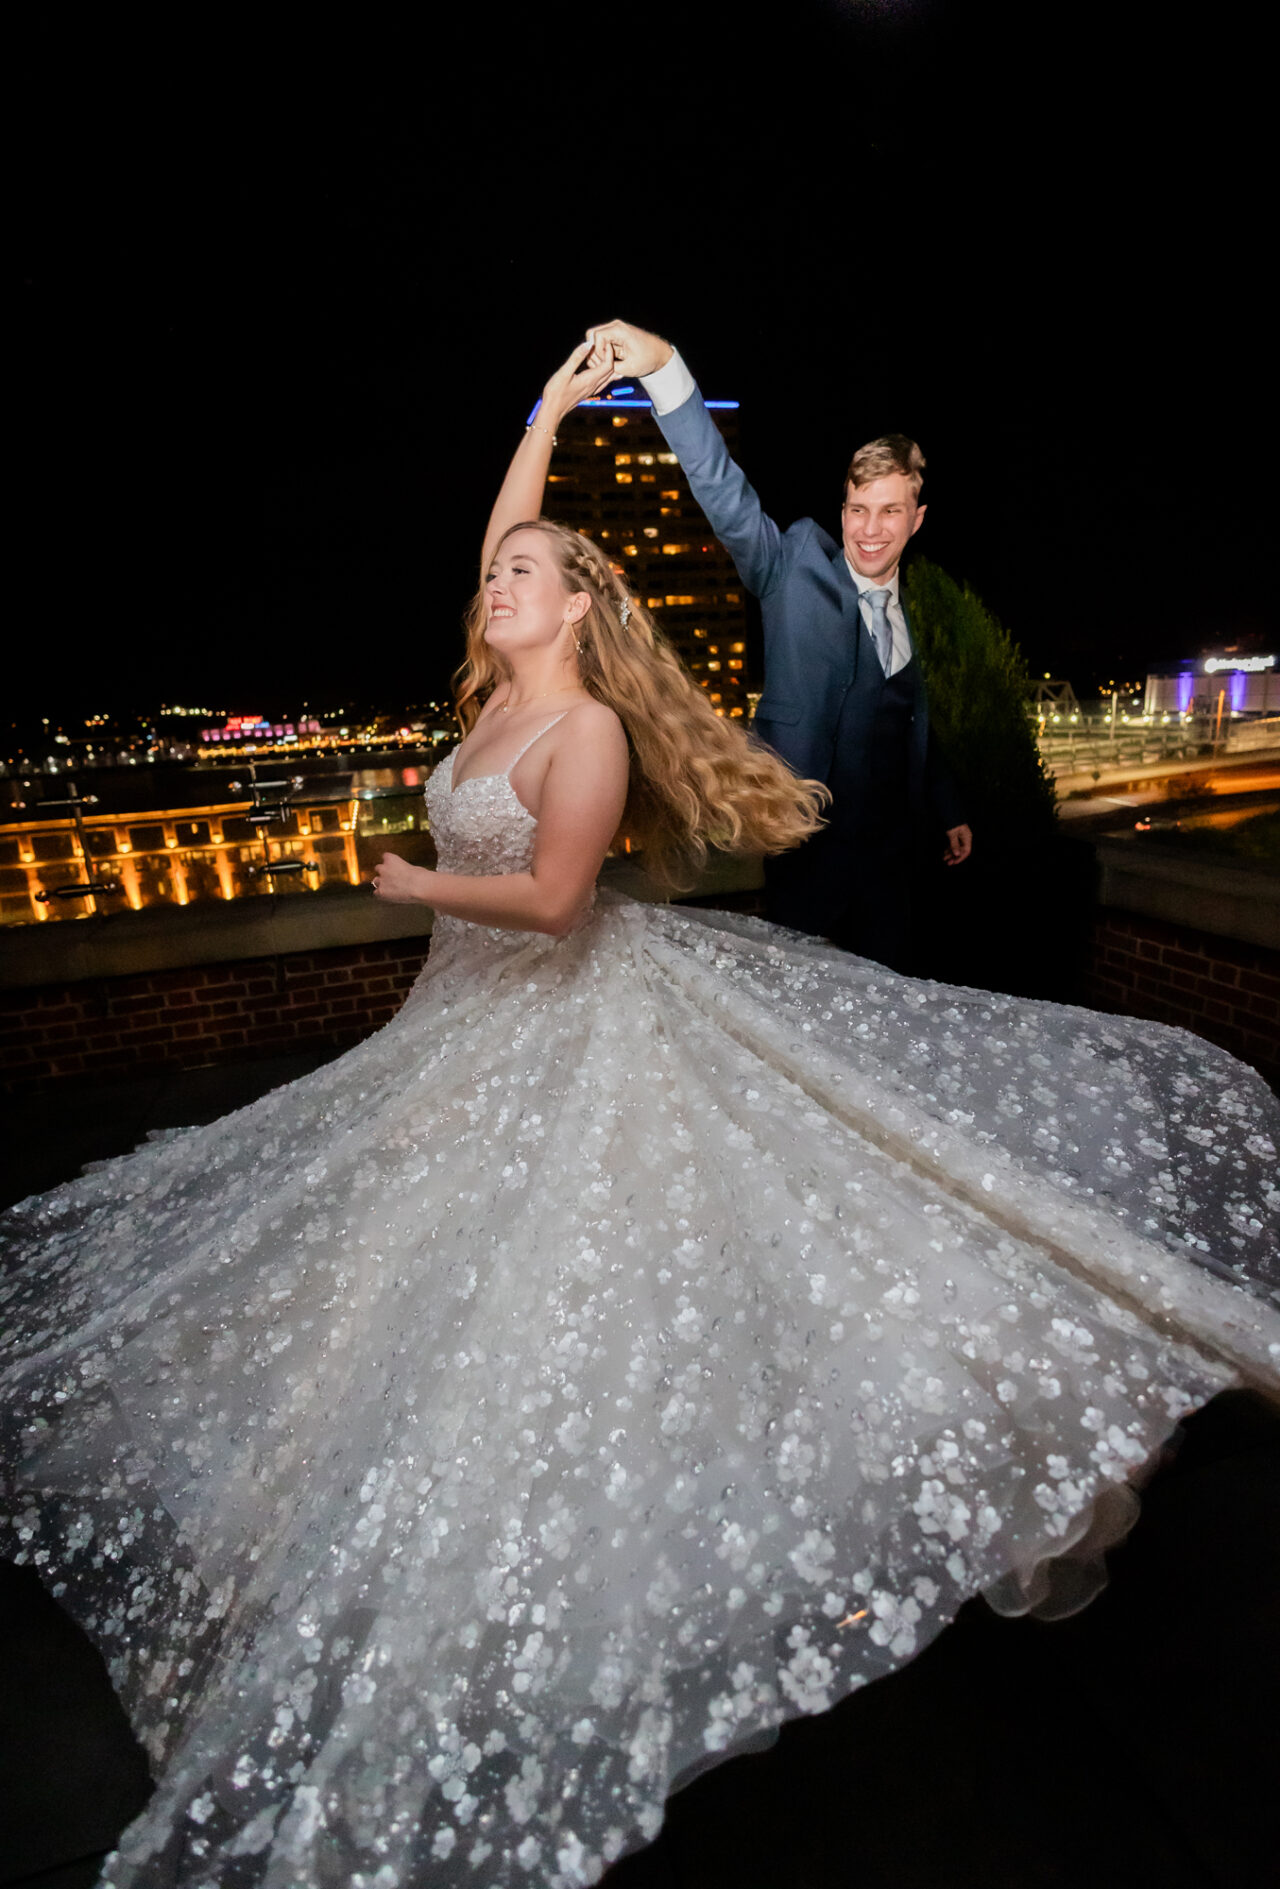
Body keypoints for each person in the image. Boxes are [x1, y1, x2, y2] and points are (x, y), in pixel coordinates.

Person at [2, 340, 1278, 1889]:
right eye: (499, 572)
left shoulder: (589, 732)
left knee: (578, 1289)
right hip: (454, 1039)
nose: (500, 582)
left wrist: (414, 880)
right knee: (390, 1278)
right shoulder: (490, 689)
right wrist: (548, 410)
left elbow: (548, 902)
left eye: (528, 573)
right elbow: (502, 535)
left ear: (581, 605)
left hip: (560, 1017)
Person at [584, 317, 972, 973]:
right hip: (806, 855)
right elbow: (720, 486)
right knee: (801, 1015)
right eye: (857, 509)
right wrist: (663, 367)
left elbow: (912, 724)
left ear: (917, 517)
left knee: (891, 1011)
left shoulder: (919, 609)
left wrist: (948, 811)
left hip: (895, 866)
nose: (870, 530)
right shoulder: (791, 565)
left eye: (889, 511)